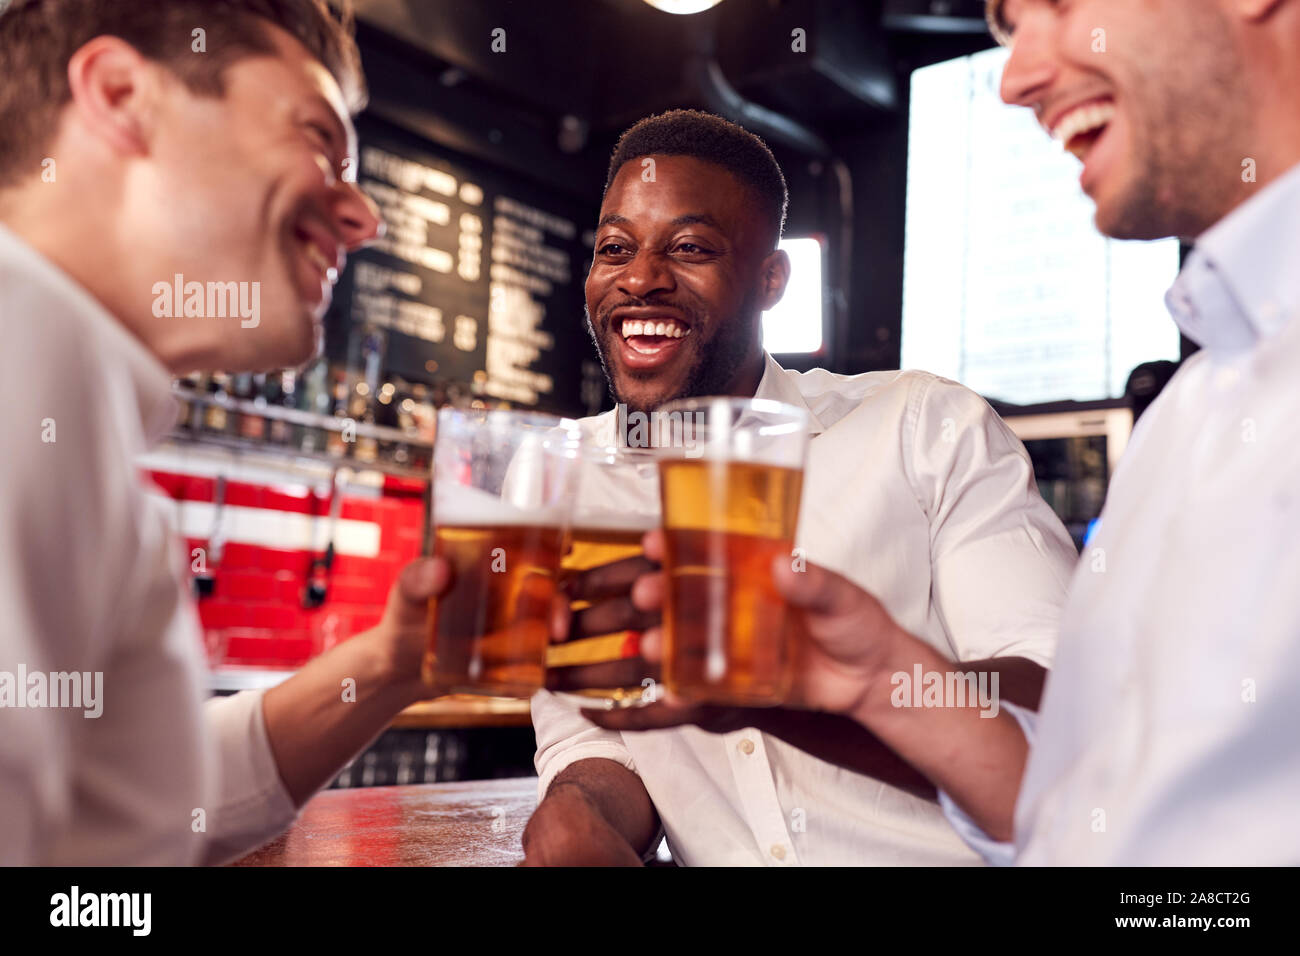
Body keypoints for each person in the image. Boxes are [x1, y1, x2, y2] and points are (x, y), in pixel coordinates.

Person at [596, 0, 1300, 865]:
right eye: (1004, 26)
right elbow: (1105, 815)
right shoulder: (1196, 413)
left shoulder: (926, 425)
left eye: (1056, 4)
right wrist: (855, 682)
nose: (1014, 78)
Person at [521, 110, 1080, 866]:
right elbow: (599, 743)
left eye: (689, 248)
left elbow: (1054, 694)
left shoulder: (923, 426)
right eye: (614, 248)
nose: (641, 276)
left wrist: (809, 688)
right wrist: (578, 815)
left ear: (771, 279)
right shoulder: (561, 479)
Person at [0, 0, 451, 865]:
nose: (363, 218)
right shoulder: (28, 342)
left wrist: (399, 659)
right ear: (123, 93)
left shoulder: (75, 397)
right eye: (318, 139)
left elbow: (125, 805)